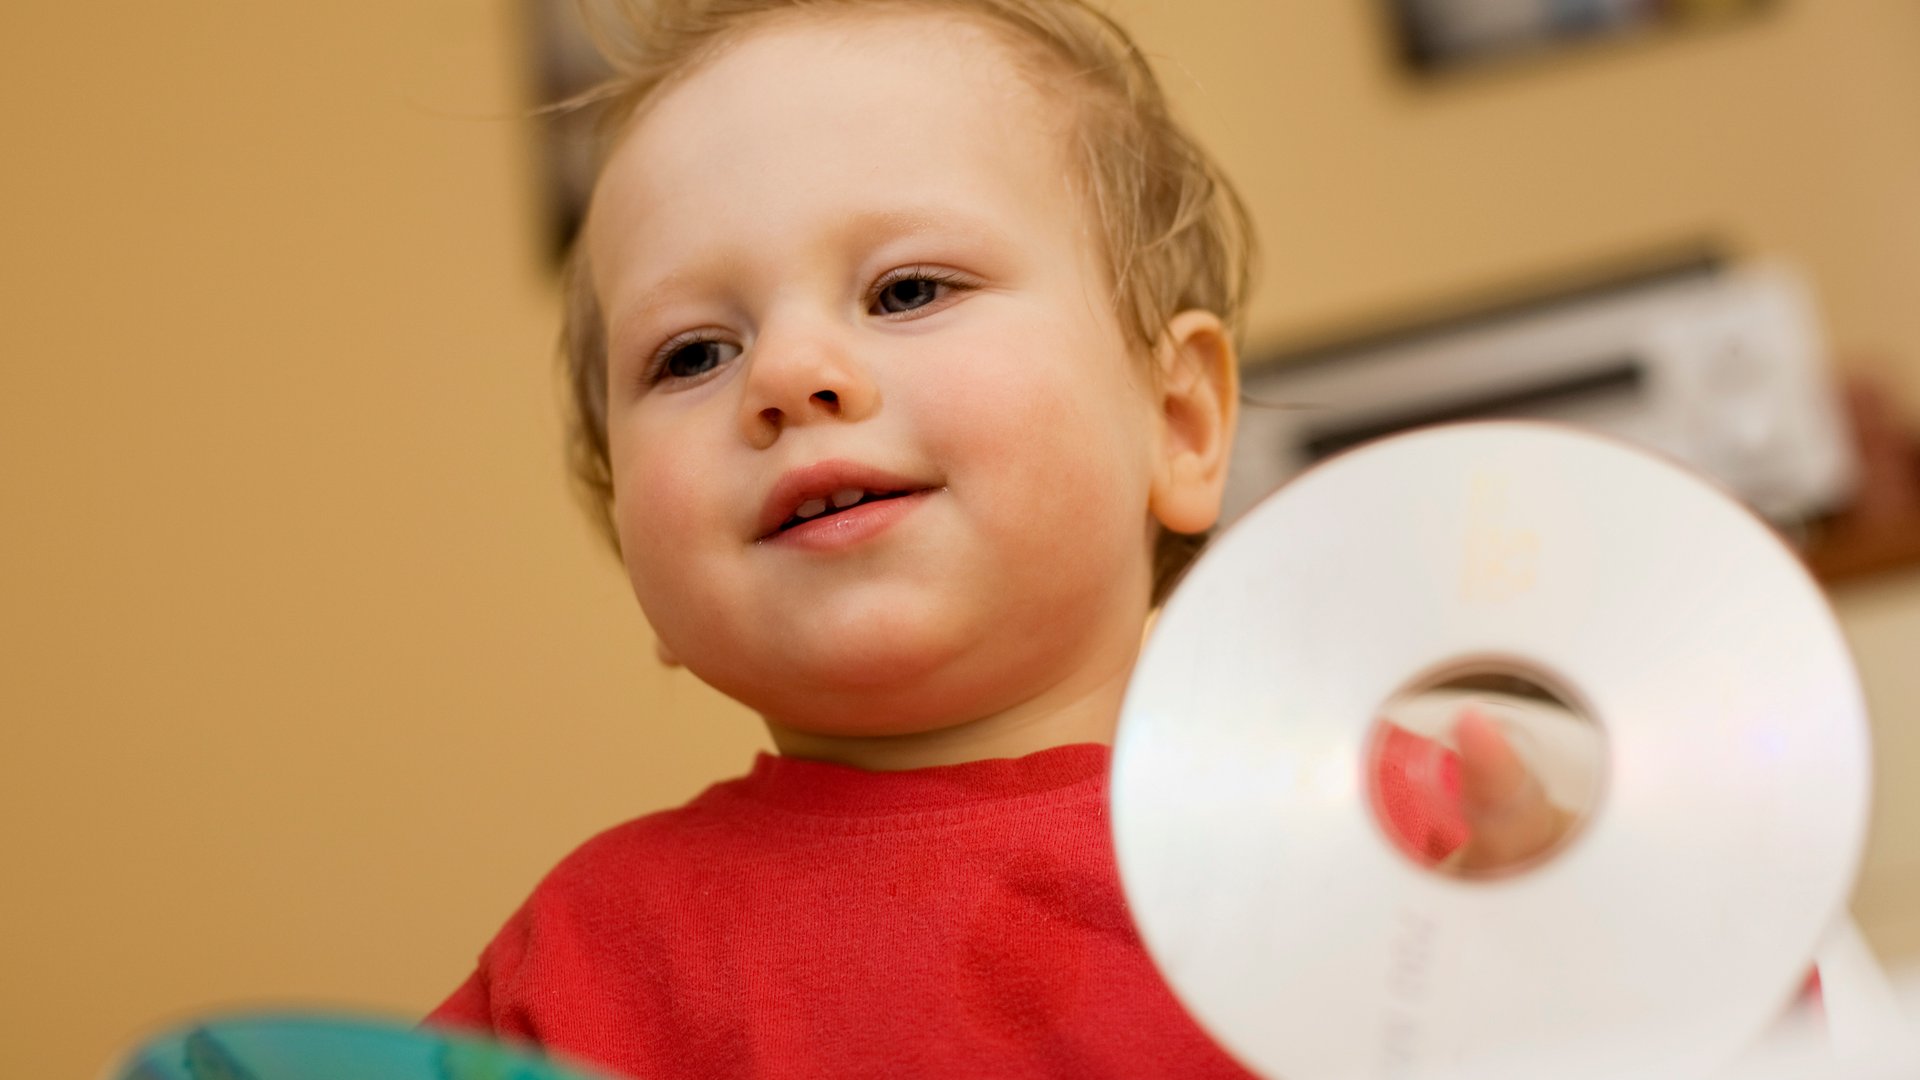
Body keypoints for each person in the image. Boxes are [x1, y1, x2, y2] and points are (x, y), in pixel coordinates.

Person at [427, 2, 1570, 1076]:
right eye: (691, 355)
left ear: (1178, 424)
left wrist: (1571, 956)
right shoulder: (581, 961)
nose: (785, 373)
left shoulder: (1404, 829)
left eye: (907, 290)